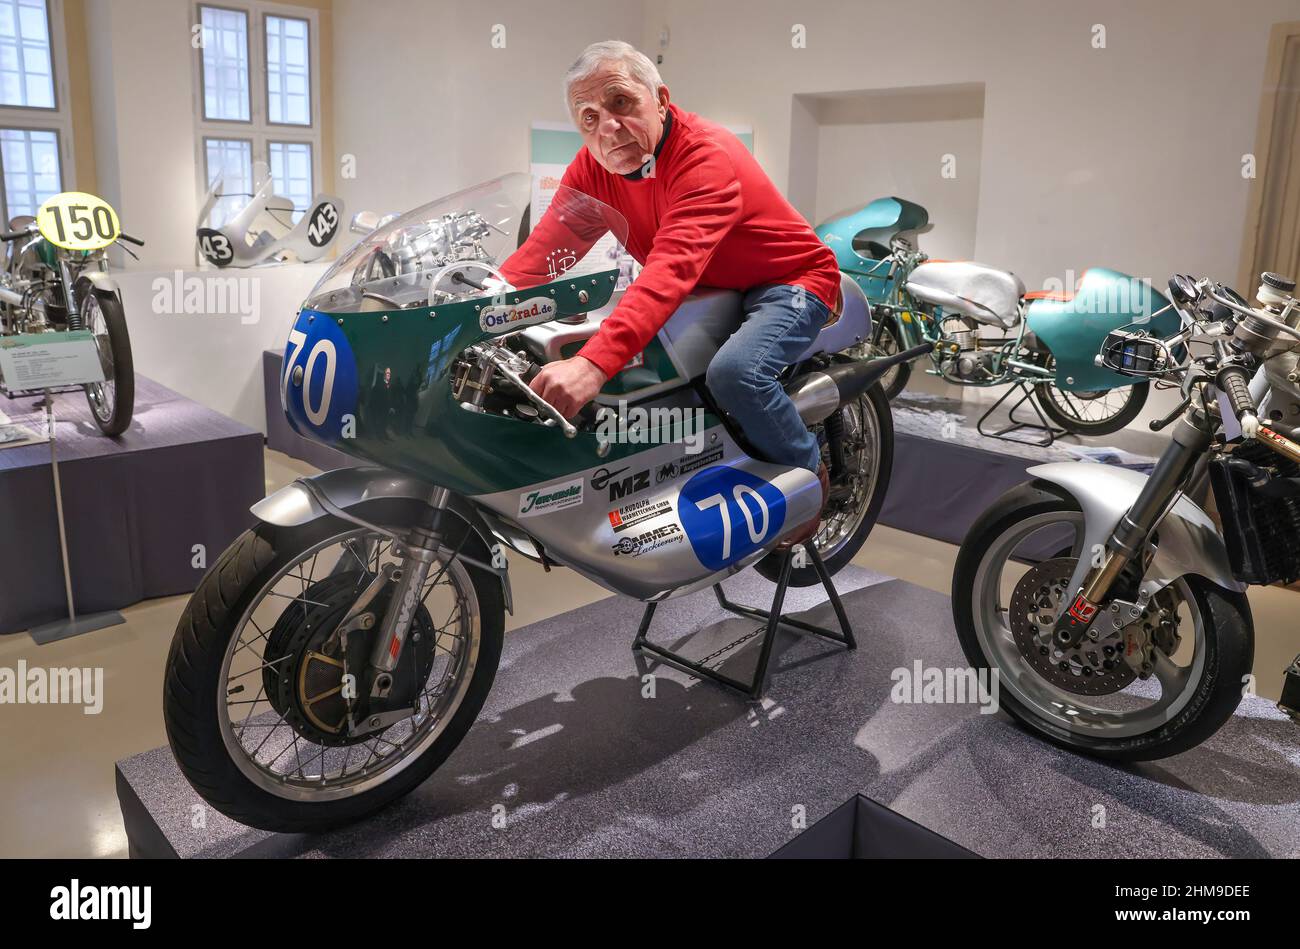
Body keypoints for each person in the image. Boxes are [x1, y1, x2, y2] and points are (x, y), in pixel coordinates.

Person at [500, 40, 842, 542]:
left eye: (621, 103)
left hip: (787, 281)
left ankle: (807, 479)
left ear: (660, 98)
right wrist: (479, 307)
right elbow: (543, 253)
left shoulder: (705, 154)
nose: (608, 128)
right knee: (657, 382)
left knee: (737, 375)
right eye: (588, 118)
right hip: (706, 288)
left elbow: (667, 272)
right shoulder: (594, 169)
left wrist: (590, 366)